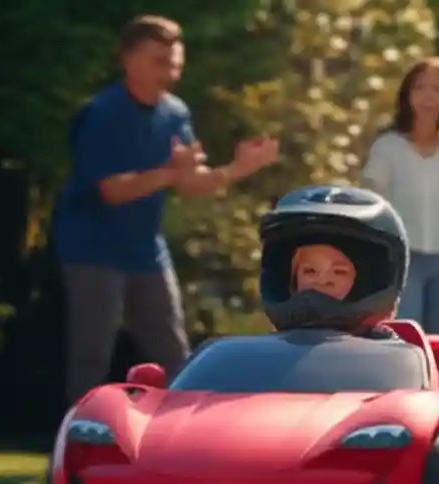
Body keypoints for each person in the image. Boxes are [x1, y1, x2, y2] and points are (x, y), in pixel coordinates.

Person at [51, 15, 279, 403]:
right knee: (92, 357)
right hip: (91, 249)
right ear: (128, 59)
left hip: (145, 251)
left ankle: (183, 445)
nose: (170, 73)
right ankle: (75, 448)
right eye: (159, 62)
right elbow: (112, 190)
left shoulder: (175, 113)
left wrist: (238, 169)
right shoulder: (102, 113)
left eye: (175, 63)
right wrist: (170, 172)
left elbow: (188, 182)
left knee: (176, 356)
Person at [362, 57, 439, 335]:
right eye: (420, 88)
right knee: (407, 340)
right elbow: (371, 199)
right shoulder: (388, 146)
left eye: (438, 89)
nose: (428, 97)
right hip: (403, 255)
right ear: (407, 95)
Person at [257, 185, 410, 340]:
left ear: (366, 284)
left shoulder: (392, 356)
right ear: (292, 282)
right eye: (310, 271)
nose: (322, 281)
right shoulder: (265, 355)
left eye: (338, 272)